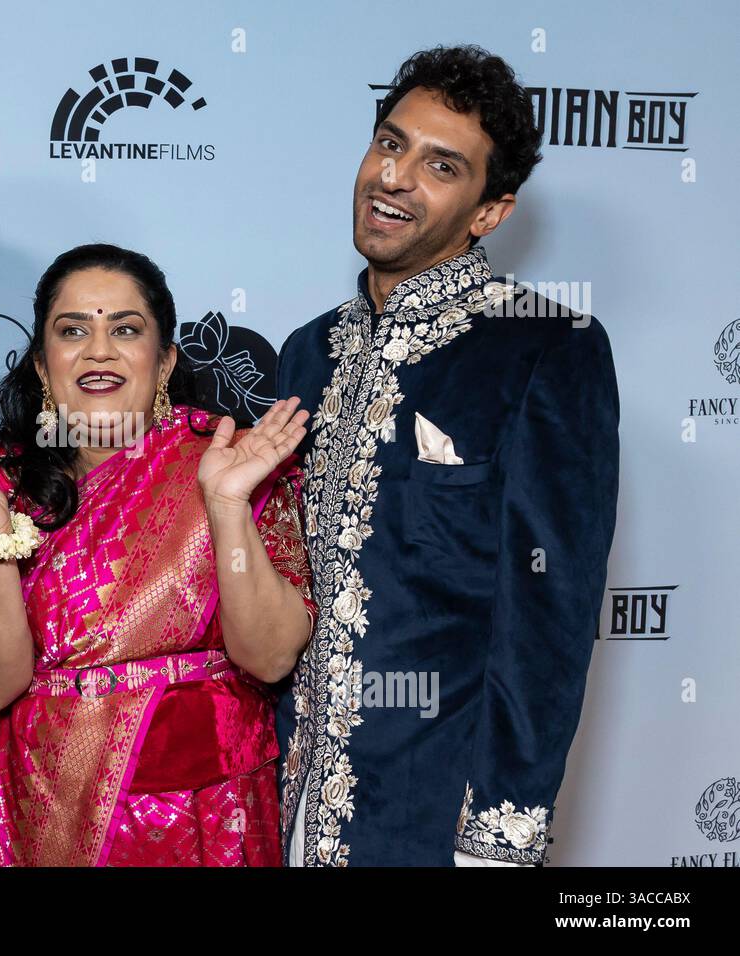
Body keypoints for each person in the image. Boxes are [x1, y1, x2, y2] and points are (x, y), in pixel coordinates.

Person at [274, 46, 619, 866]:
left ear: (489, 211)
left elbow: (550, 622)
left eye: (440, 166)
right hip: (277, 801)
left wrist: (497, 839)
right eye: (389, 144)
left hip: (429, 819)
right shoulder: (306, 352)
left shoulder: (545, 348)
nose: (395, 178)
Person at [0, 243, 318, 866]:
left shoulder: (232, 462)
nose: (99, 349)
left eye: (126, 329)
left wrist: (224, 505)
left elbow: (271, 656)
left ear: (164, 360)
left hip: (202, 812)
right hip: (42, 808)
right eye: (73, 330)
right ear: (41, 364)